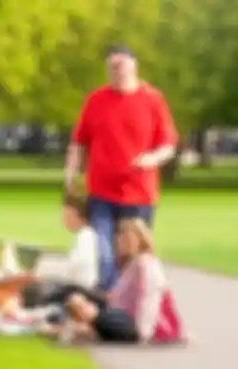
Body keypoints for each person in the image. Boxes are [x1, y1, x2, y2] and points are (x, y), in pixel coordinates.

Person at [63, 44, 179, 291]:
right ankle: (110, 301)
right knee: (103, 253)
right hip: (101, 192)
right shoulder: (96, 100)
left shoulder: (152, 99)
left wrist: (151, 159)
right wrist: (70, 175)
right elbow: (79, 142)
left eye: (121, 65)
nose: (117, 71)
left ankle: (131, 303)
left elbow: (168, 145)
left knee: (133, 254)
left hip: (139, 193)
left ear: (133, 65)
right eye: (111, 67)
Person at [56, 218, 183, 344]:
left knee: (88, 307)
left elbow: (149, 298)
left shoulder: (145, 263)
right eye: (120, 238)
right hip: (118, 311)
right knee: (73, 291)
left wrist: (144, 332)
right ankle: (62, 317)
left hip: (133, 322)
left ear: (141, 240)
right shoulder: (129, 264)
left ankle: (75, 323)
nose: (122, 242)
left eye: (128, 239)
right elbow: (120, 296)